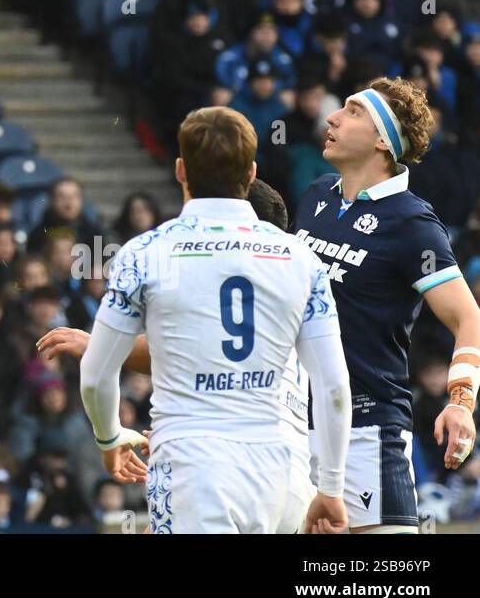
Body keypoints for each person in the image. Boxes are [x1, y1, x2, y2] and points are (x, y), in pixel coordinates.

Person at [75, 107, 352, 533]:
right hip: (285, 472)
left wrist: (109, 438)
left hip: (195, 468)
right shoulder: (301, 259)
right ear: (252, 171)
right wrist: (330, 487)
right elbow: (333, 386)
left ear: (181, 170)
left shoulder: (145, 253)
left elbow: (96, 373)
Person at [39, 179, 322, 534]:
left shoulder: (215, 275)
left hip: (224, 470)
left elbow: (174, 352)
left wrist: (98, 346)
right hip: (293, 478)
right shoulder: (297, 282)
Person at [292, 78, 480, 532]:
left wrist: (460, 402)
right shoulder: (317, 195)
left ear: (382, 140)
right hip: (293, 427)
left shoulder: (411, 222)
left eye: (353, 111)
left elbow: (467, 315)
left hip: (366, 430)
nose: (333, 117)